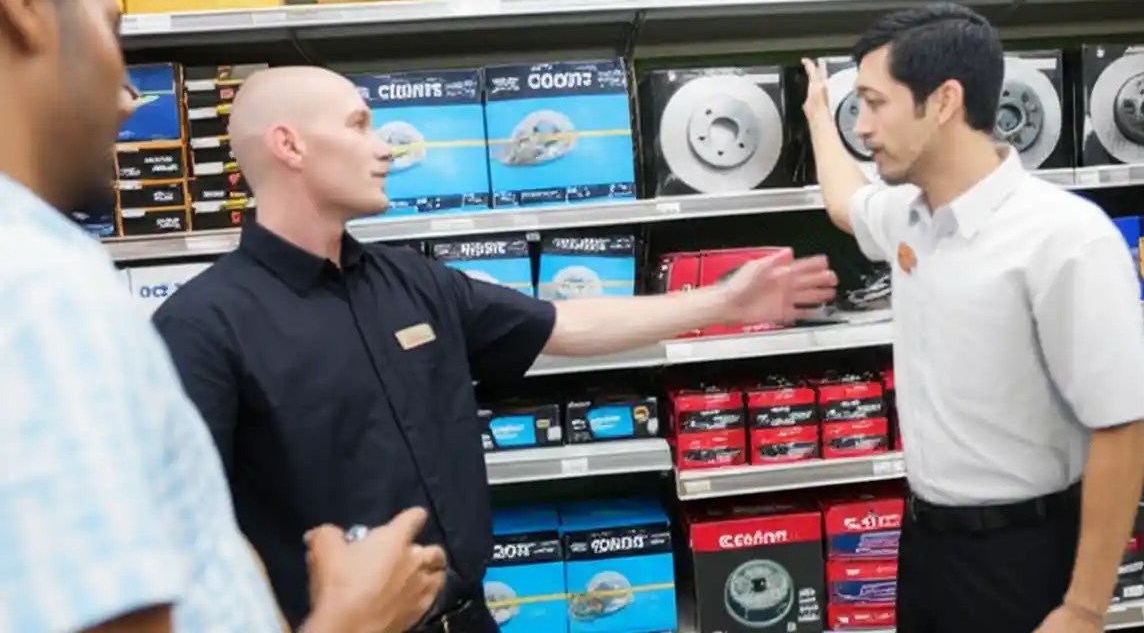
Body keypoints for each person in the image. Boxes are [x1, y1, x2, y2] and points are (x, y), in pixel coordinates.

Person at [151, 66, 838, 631]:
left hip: (469, 617)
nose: (384, 146)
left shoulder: (412, 282)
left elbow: (563, 325)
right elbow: (188, 530)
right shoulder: (201, 325)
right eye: (358, 125)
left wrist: (722, 303)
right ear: (290, 146)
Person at [0, 0, 450, 631]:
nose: (127, 93)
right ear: (22, 4)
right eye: (110, 27)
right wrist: (354, 619)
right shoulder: (39, 284)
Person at [799, 3, 1144, 633]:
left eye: (874, 103)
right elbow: (843, 203)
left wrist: (1083, 607)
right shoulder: (910, 217)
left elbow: (1121, 428)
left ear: (942, 101)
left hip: (1021, 558)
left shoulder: (1064, 237)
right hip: (926, 546)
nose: (861, 126)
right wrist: (815, 116)